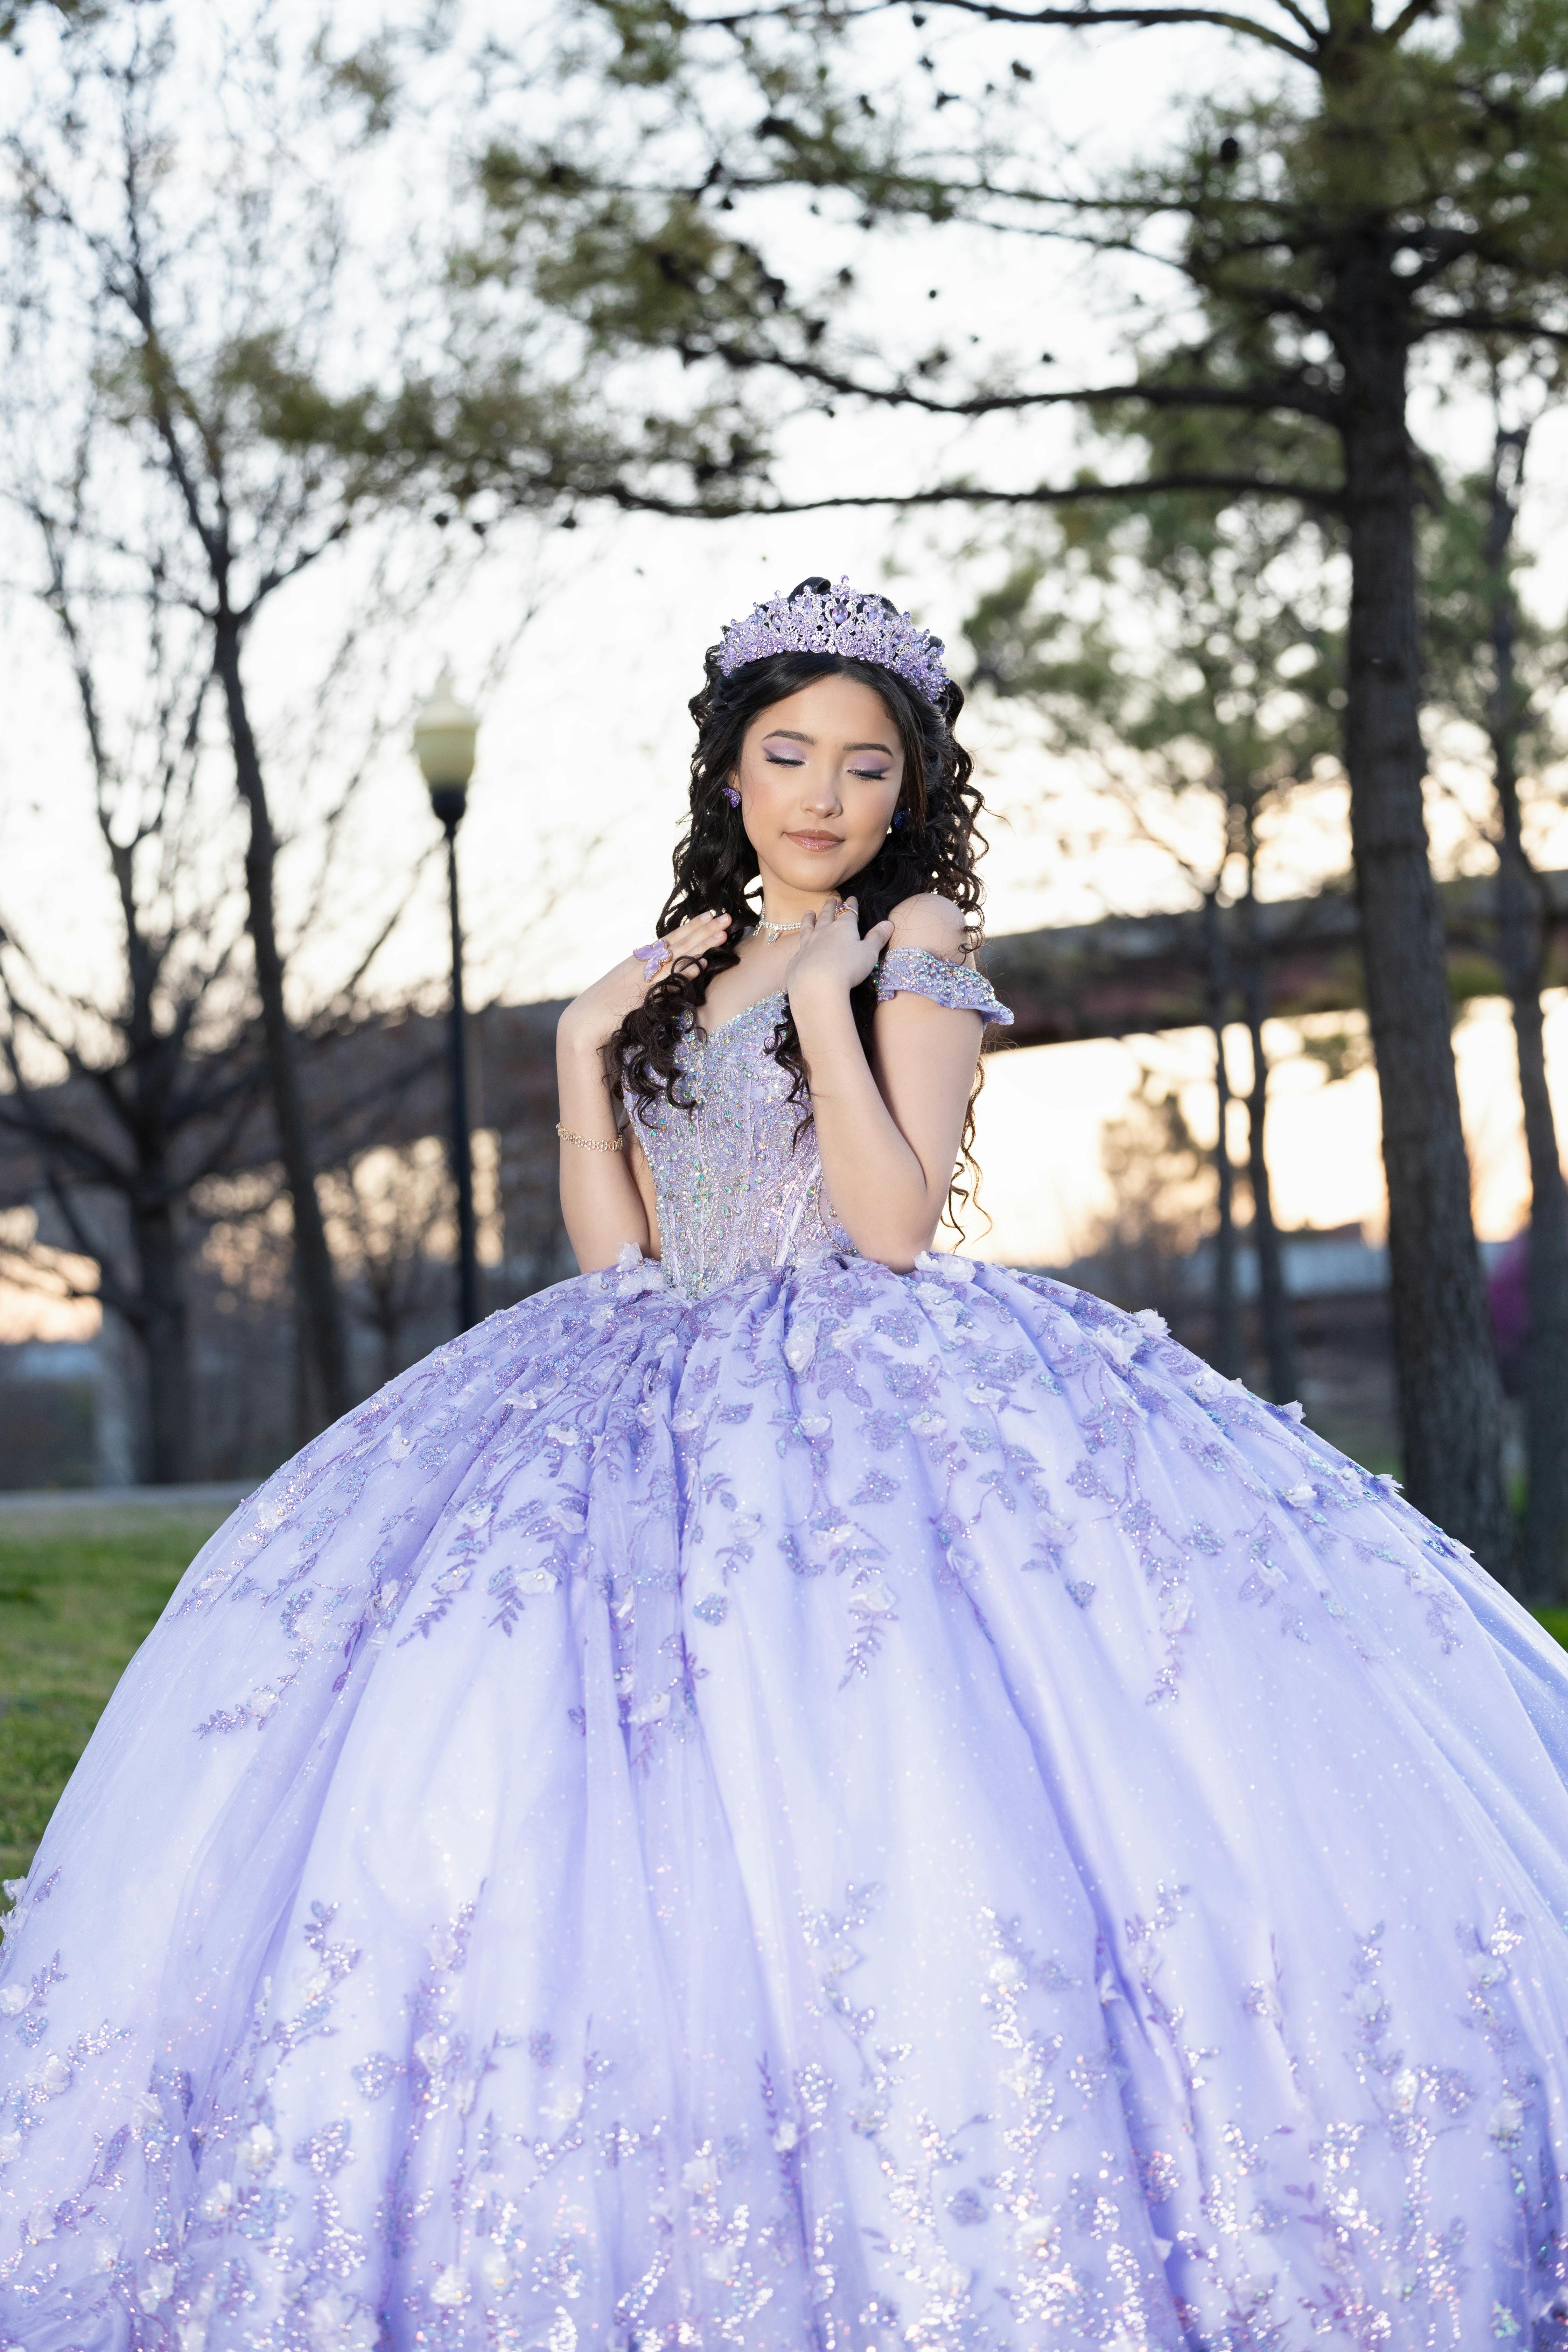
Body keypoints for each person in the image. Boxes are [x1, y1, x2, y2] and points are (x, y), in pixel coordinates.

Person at [3, 577, 1568, 2352]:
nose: (823, 795)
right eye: (788, 756)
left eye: (865, 766)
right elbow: (625, 1261)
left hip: (862, 1371)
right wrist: (585, 1051)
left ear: (911, 793)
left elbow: (893, 1226)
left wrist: (833, 1001)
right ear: (730, 773)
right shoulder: (690, 961)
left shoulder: (920, 939)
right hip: (645, 1362)